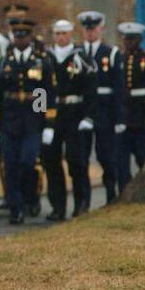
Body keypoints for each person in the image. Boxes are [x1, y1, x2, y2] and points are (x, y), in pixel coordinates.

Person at [0, 14, 57, 224]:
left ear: (30, 37)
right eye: (16, 36)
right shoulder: (4, 63)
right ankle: (15, 208)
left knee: (28, 162)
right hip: (9, 121)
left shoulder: (41, 62)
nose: (20, 39)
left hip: (32, 120)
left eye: (24, 36)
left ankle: (31, 197)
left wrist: (48, 123)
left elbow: (46, 92)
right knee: (10, 165)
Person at [42, 19, 95, 219]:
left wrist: (89, 116)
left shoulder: (81, 57)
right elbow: (40, 90)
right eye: (57, 34)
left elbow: (90, 89)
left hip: (75, 112)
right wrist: (42, 119)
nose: (60, 37)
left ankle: (81, 203)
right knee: (51, 162)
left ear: (71, 34)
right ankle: (58, 207)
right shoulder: (46, 58)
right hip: (53, 115)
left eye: (64, 33)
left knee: (76, 161)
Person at [76, 10, 126, 206]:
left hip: (106, 112)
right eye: (87, 30)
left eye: (94, 29)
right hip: (83, 112)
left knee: (106, 156)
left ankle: (110, 194)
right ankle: (83, 201)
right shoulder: (77, 54)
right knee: (81, 159)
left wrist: (120, 117)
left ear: (101, 29)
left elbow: (119, 88)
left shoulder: (110, 53)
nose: (90, 33)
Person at [117, 20, 145, 193]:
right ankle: (124, 191)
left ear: (140, 40)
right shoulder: (118, 59)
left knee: (143, 157)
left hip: (142, 116)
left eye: (132, 39)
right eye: (126, 39)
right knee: (121, 162)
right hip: (124, 118)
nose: (128, 43)